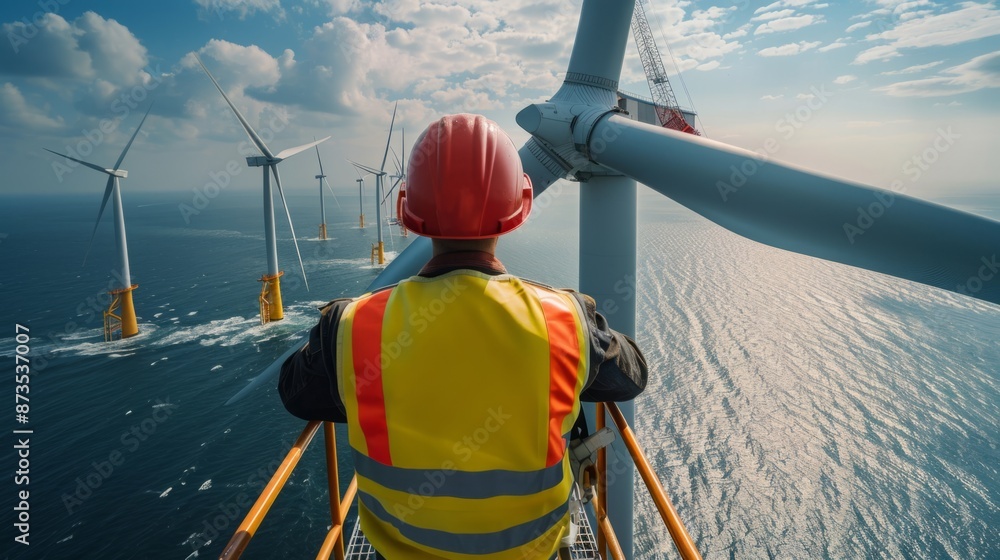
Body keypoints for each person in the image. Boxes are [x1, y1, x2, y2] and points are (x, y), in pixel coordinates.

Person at [279, 113, 647, 559]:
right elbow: (631, 375)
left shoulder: (352, 327)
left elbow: (296, 393)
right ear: (521, 208)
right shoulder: (565, 321)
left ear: (406, 212)